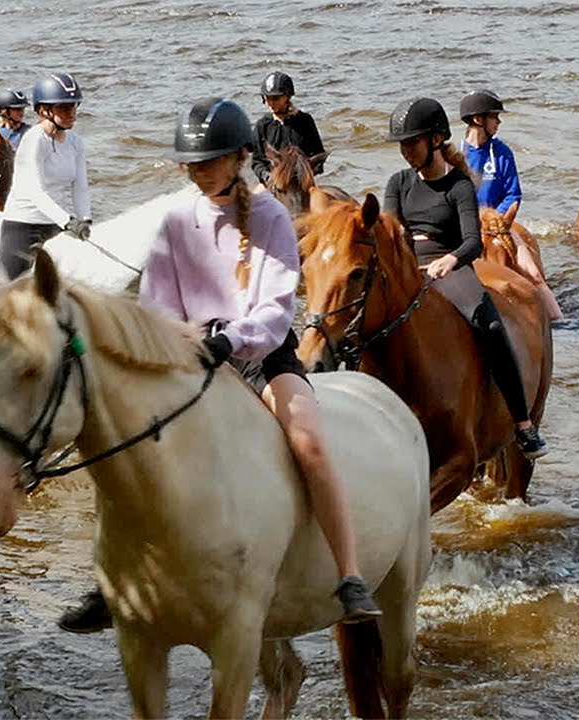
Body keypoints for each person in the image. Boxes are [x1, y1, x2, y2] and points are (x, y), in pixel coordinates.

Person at [56, 97, 382, 634]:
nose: (197, 170)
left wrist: (231, 340)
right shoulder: (177, 221)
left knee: (310, 442)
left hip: (259, 356)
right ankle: (112, 580)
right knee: (125, 442)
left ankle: (349, 576)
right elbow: (158, 303)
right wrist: (182, 343)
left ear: (237, 160)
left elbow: (277, 307)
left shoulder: (275, 218)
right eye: (192, 162)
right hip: (192, 357)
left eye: (208, 161)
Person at [382, 97, 548, 459]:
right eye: (403, 145)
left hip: (451, 266)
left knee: (487, 324)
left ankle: (522, 424)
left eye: (413, 143)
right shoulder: (398, 183)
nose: (407, 152)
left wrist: (449, 260)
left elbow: (473, 242)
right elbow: (393, 233)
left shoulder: (458, 185)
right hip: (409, 266)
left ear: (437, 139)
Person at [459, 89, 563, 320]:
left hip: (499, 227)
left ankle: (560, 322)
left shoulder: (502, 152)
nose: (499, 121)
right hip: (466, 228)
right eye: (494, 116)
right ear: (479, 120)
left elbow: (513, 194)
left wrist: (495, 220)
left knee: (534, 275)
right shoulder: (455, 155)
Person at [0, 71, 91, 279]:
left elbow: (81, 187)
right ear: (44, 110)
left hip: (57, 225)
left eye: (74, 106)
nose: (72, 113)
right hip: (23, 225)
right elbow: (34, 192)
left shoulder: (75, 142)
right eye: (64, 108)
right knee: (5, 290)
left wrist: (85, 220)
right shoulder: (33, 140)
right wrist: (68, 221)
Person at [250, 71, 326, 189]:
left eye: (275, 98)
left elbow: (318, 154)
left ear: (288, 96)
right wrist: (267, 176)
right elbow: (256, 162)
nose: (270, 103)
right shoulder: (262, 125)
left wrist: (306, 174)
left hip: (301, 185)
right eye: (267, 98)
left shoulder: (305, 121)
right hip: (272, 184)